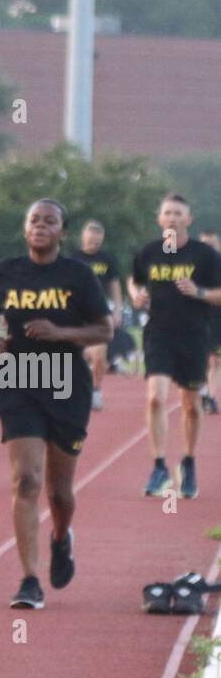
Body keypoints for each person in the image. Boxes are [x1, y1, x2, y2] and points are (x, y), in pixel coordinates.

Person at [0, 200, 112, 610]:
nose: (40, 226)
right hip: (18, 380)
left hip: (65, 384)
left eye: (49, 221)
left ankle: (60, 538)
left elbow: (104, 329)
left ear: (62, 231)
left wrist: (59, 332)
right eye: (34, 220)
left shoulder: (77, 275)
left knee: (59, 493)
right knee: (27, 480)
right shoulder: (6, 271)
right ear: (25, 229)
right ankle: (29, 579)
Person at [129, 194, 221, 499]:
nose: (172, 218)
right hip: (158, 334)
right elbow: (135, 279)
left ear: (188, 220)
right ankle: (158, 465)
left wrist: (199, 291)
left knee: (190, 405)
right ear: (160, 219)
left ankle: (189, 461)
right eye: (167, 213)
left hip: (194, 335)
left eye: (178, 213)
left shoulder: (205, 255)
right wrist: (137, 295)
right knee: (155, 398)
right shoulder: (149, 252)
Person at [72, 220, 123, 407]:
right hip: (76, 313)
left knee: (100, 356)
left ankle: (95, 389)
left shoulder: (107, 260)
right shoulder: (72, 258)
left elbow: (115, 286)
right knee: (77, 354)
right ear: (83, 236)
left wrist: (118, 310)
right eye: (91, 236)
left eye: (98, 237)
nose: (94, 240)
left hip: (99, 313)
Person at [199, 230, 221, 415]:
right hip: (197, 317)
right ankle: (202, 391)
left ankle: (210, 396)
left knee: (215, 360)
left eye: (213, 244)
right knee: (202, 359)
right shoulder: (193, 266)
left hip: (218, 317)